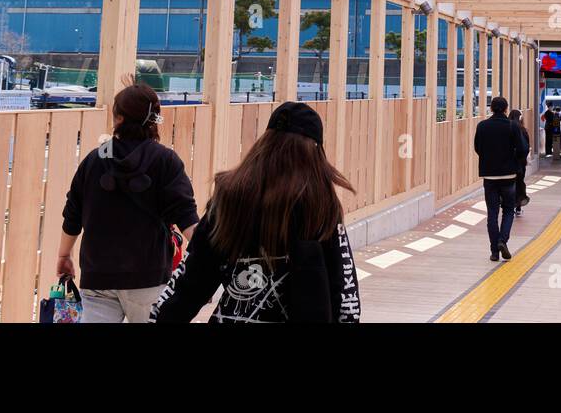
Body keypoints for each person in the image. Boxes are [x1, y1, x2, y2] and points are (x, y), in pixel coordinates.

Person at [150, 101, 360, 323]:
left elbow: (189, 283)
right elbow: (345, 295)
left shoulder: (230, 198)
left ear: (264, 145)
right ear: (315, 152)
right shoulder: (320, 206)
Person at [58, 83, 199, 323]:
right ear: (154, 120)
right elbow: (186, 218)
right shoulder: (165, 161)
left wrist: (64, 255)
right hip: (149, 278)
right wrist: (210, 262)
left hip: (98, 278)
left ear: (118, 118)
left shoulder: (94, 160)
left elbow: (73, 215)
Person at [474, 96, 525, 261]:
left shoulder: (482, 126)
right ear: (506, 109)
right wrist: (514, 160)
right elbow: (523, 149)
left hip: (489, 175)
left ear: (491, 109)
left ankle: (494, 251)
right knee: (509, 209)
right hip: (509, 175)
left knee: (492, 213)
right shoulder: (513, 126)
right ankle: (502, 240)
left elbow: (478, 148)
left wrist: (489, 160)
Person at [510, 109, 531, 216]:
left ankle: (510, 205)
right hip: (520, 163)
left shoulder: (507, 129)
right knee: (519, 182)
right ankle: (518, 206)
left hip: (508, 163)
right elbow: (526, 147)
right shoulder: (523, 130)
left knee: (510, 184)